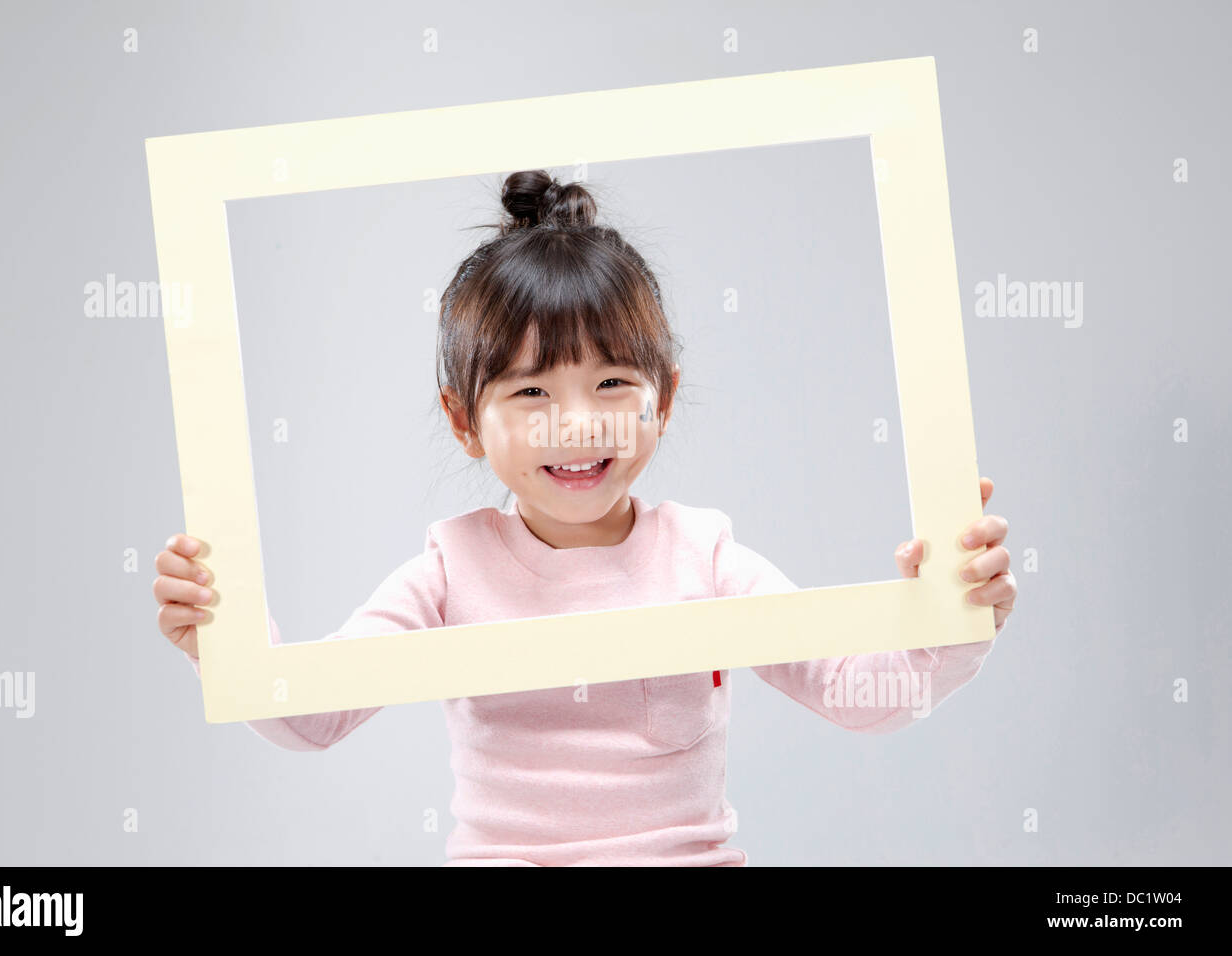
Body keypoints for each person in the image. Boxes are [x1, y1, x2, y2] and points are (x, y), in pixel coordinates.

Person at [153, 169, 1018, 866]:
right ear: (463, 421)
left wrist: (946, 619)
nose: (577, 425)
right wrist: (227, 637)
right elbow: (313, 716)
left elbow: (855, 694)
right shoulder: (452, 570)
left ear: (664, 399)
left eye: (611, 385)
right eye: (531, 394)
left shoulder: (703, 555)